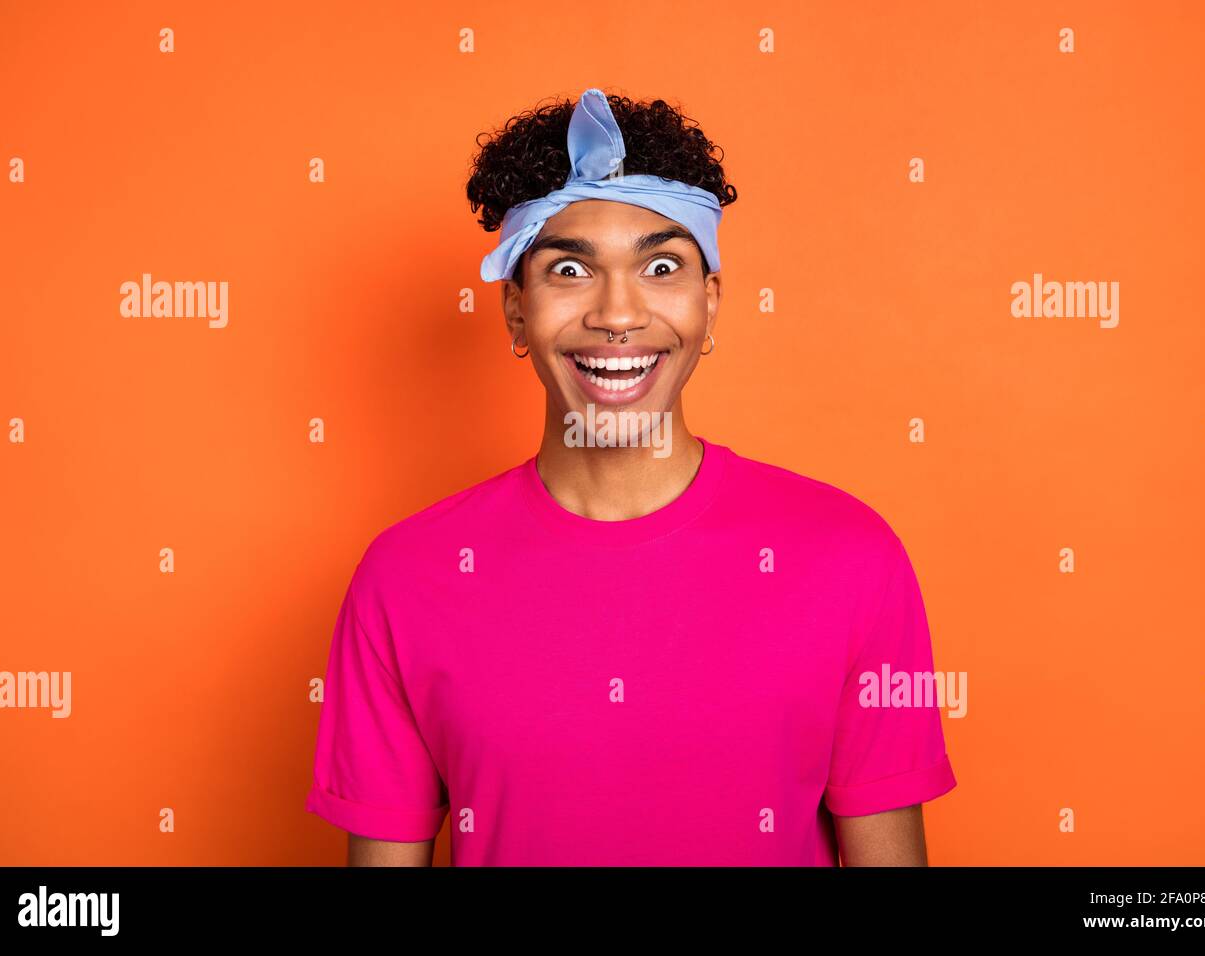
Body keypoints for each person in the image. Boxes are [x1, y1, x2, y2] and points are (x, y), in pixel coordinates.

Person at [305, 87, 957, 866]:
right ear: (515, 311)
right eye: (571, 268)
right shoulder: (403, 580)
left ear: (709, 307)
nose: (619, 312)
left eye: (660, 265)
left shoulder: (853, 557)